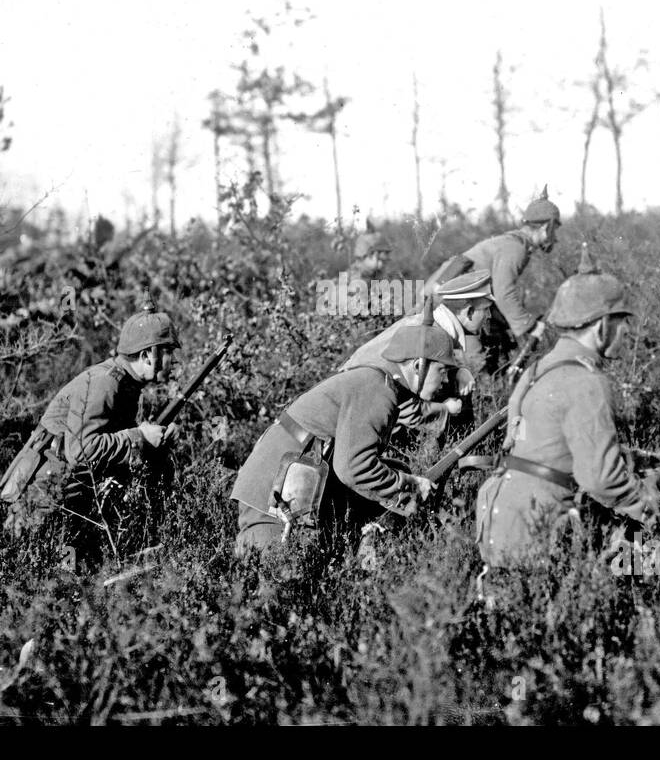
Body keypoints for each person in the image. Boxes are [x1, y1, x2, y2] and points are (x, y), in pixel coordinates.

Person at [474, 272, 658, 570]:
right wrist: (648, 506)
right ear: (601, 325)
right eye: (622, 321)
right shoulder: (586, 381)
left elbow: (533, 443)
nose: (626, 331)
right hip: (539, 523)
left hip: (500, 514)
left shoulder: (538, 368)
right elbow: (601, 479)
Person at [231, 323, 460, 556]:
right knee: (274, 581)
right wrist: (409, 485)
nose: (445, 381)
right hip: (275, 493)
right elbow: (354, 468)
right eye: (442, 371)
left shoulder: (376, 383)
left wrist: (401, 480)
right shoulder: (377, 390)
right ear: (418, 365)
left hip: (284, 485)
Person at [0, 307, 181, 567]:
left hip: (67, 493)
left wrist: (154, 440)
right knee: (23, 570)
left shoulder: (125, 384)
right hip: (45, 495)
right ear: (147, 355)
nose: (172, 361)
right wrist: (139, 436)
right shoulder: (105, 383)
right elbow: (81, 450)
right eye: (168, 352)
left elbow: (108, 437)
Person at [337, 270, 494, 432]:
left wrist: (459, 371)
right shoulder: (432, 337)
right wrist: (445, 409)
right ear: (469, 311)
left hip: (351, 397)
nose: (489, 316)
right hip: (353, 409)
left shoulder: (432, 326)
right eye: (486, 309)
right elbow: (406, 406)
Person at [423, 192, 561, 371]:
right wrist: (530, 326)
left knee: (494, 343)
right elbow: (504, 293)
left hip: (449, 298)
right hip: (446, 302)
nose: (555, 236)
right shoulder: (515, 248)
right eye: (554, 229)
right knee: (474, 360)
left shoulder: (512, 243)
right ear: (545, 227)